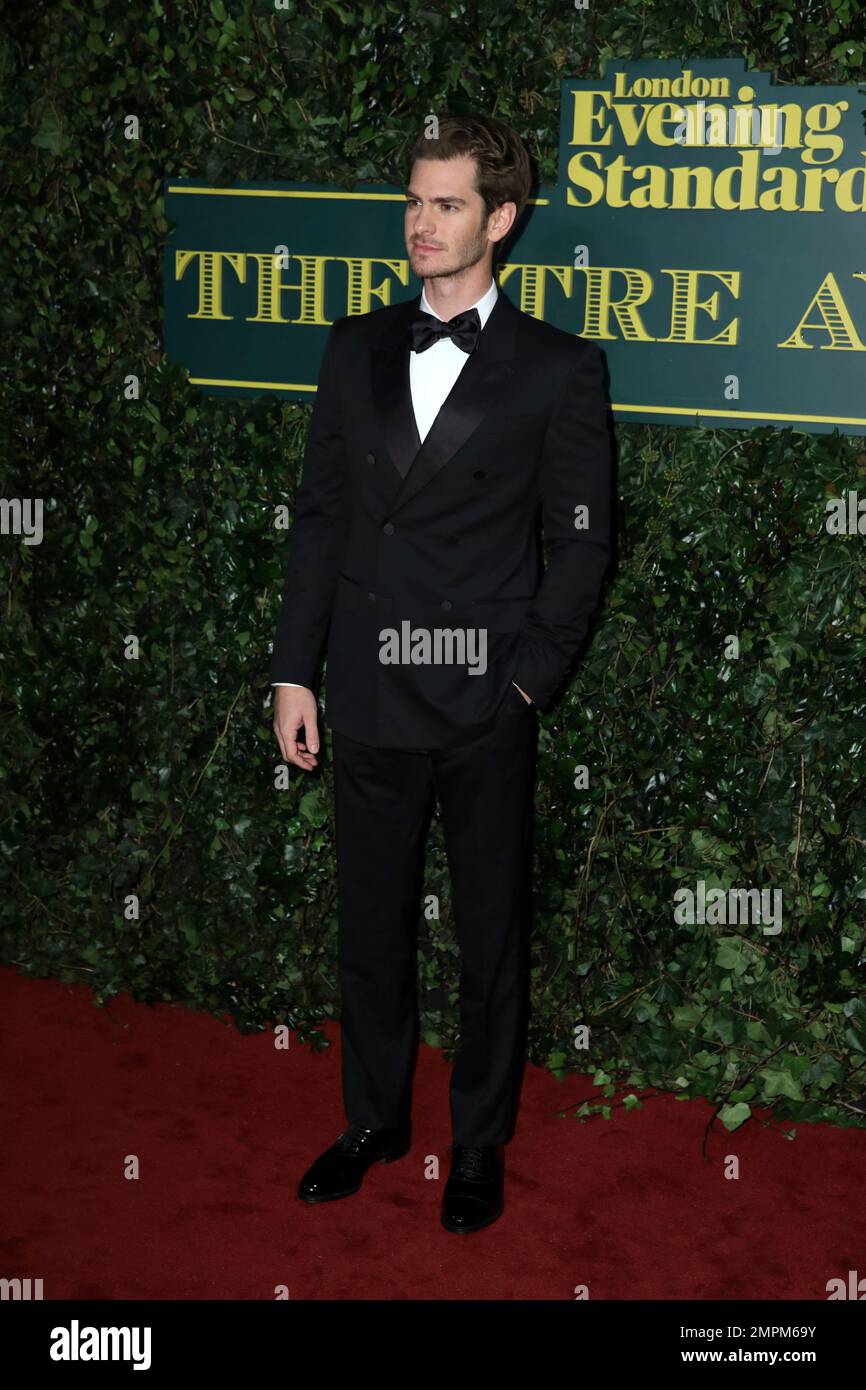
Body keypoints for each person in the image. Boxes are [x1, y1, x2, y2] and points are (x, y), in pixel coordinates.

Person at [271, 113, 613, 1233]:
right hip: (366, 688)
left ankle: (477, 1143)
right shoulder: (352, 343)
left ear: (500, 219)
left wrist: (526, 685)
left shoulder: (557, 368)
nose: (421, 224)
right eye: (414, 201)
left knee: (487, 936)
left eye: (447, 204)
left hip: (481, 699)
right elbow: (319, 517)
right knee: (368, 928)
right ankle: (374, 1117)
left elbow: (581, 542)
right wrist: (293, 671)